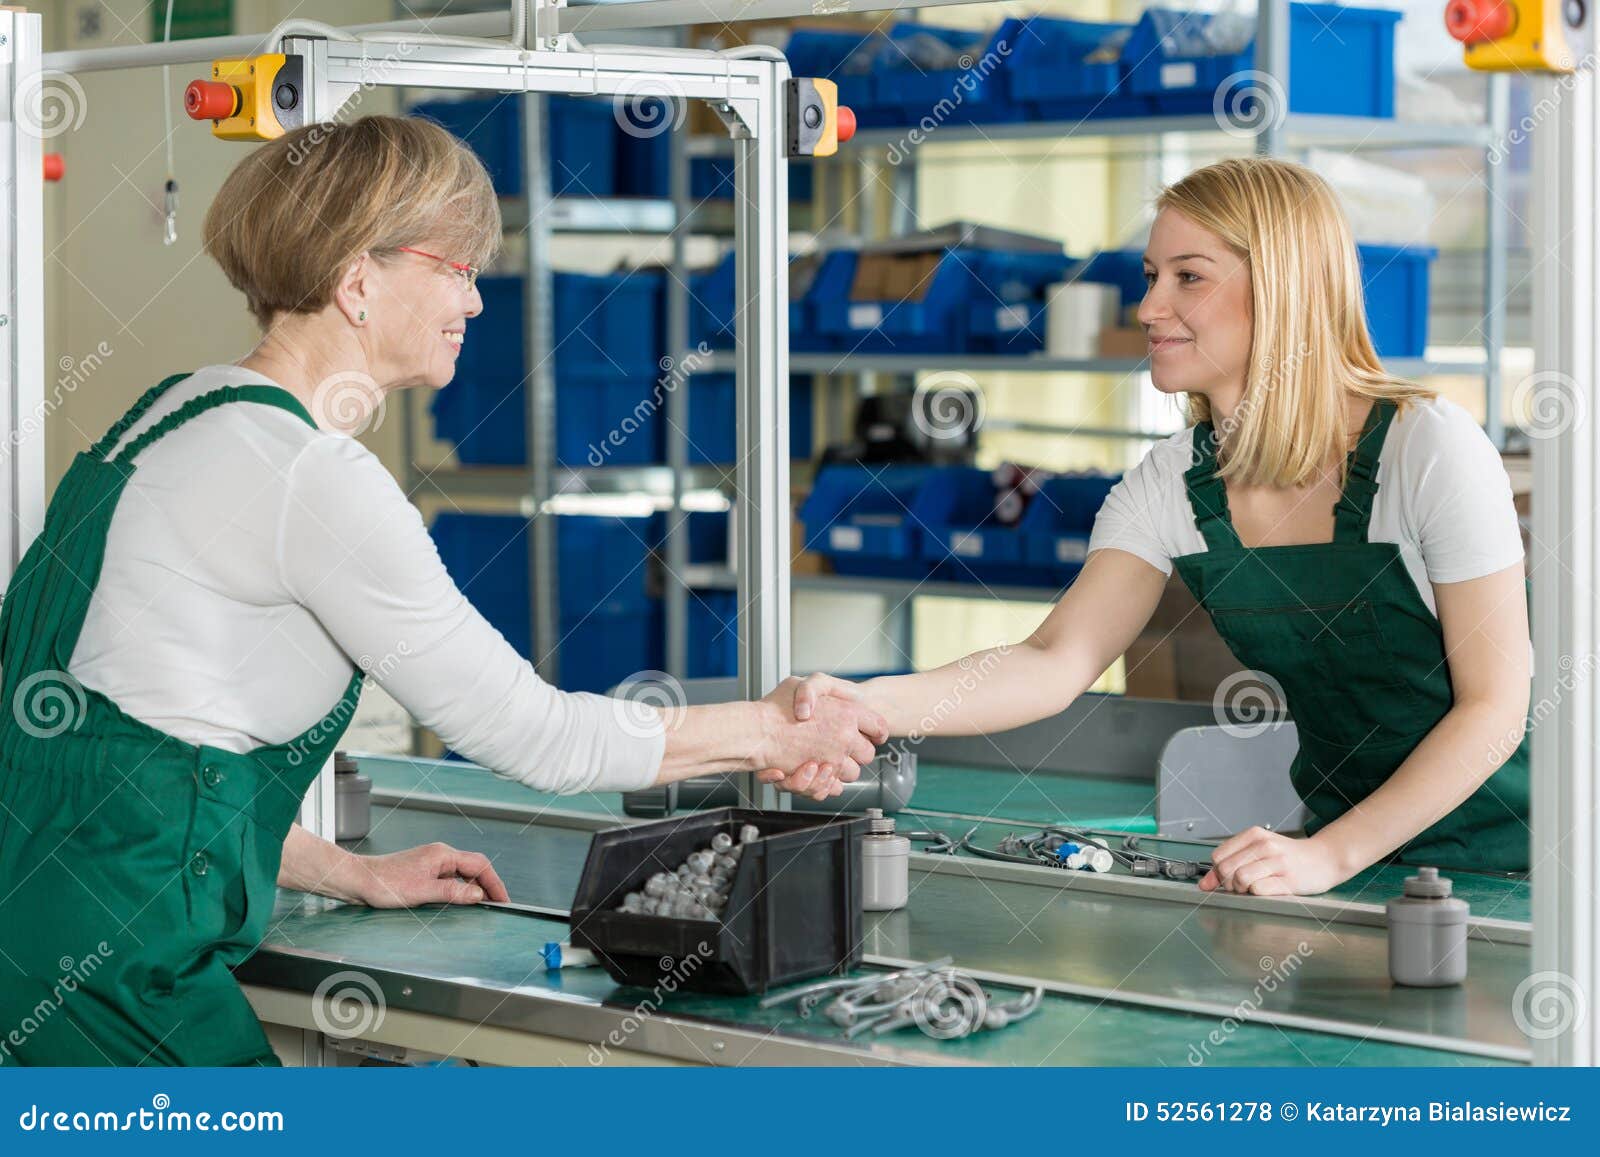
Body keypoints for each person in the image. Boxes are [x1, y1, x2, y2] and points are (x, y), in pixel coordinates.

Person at [0, 116, 883, 1067]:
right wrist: (770, 729)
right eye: (454, 268)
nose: (475, 298)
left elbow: (139, 767)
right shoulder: (312, 475)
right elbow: (531, 732)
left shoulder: (175, 411)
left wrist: (345, 870)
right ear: (356, 279)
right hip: (111, 986)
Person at [785, 157, 1530, 897]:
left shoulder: (1427, 449)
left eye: (1188, 277)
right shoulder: (1173, 482)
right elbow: (1052, 659)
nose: (1147, 307)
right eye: (1149, 276)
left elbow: (1496, 706)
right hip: (1359, 863)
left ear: (1282, 288)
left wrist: (1330, 854)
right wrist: (862, 704)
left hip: (1525, 862)